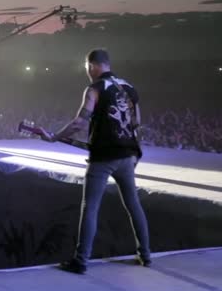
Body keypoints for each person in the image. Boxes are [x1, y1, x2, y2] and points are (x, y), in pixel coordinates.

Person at [41, 48, 151, 274]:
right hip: (127, 156)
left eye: (86, 67)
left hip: (103, 157)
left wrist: (54, 137)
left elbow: (79, 123)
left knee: (90, 207)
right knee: (133, 204)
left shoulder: (94, 89)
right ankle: (146, 255)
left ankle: (81, 261)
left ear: (92, 66)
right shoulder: (129, 87)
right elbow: (137, 122)